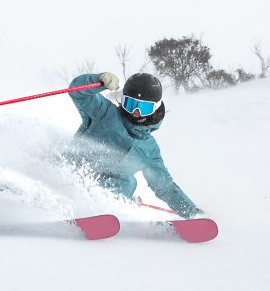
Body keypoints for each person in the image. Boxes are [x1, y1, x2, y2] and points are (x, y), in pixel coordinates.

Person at [65, 71, 203, 218]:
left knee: (128, 183)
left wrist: (191, 212)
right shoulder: (104, 113)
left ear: (155, 108)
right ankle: (95, 207)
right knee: (127, 183)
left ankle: (105, 213)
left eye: (144, 108)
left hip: (101, 196)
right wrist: (98, 80)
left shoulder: (149, 149)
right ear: (123, 101)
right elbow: (77, 92)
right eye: (130, 104)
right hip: (71, 174)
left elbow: (165, 187)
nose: (136, 112)